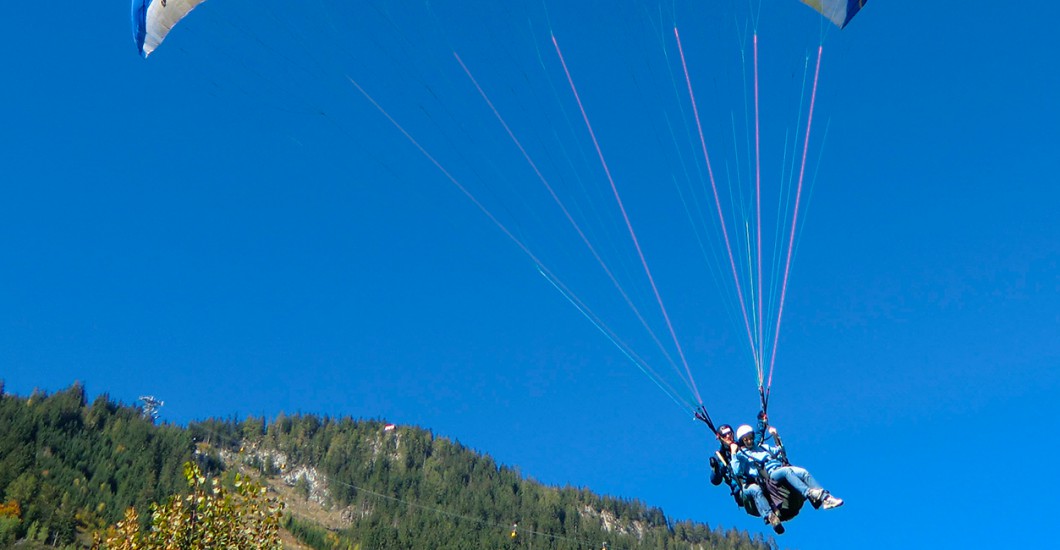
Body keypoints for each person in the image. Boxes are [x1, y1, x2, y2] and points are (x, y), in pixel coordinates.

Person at [731, 421, 844, 519]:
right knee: (786, 472)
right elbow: (737, 472)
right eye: (746, 440)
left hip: (779, 466)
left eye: (750, 438)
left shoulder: (763, 447)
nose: (749, 441)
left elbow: (781, 453)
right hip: (769, 475)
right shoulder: (742, 455)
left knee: (803, 472)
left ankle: (826, 498)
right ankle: (810, 493)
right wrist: (733, 454)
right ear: (742, 441)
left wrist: (776, 436)